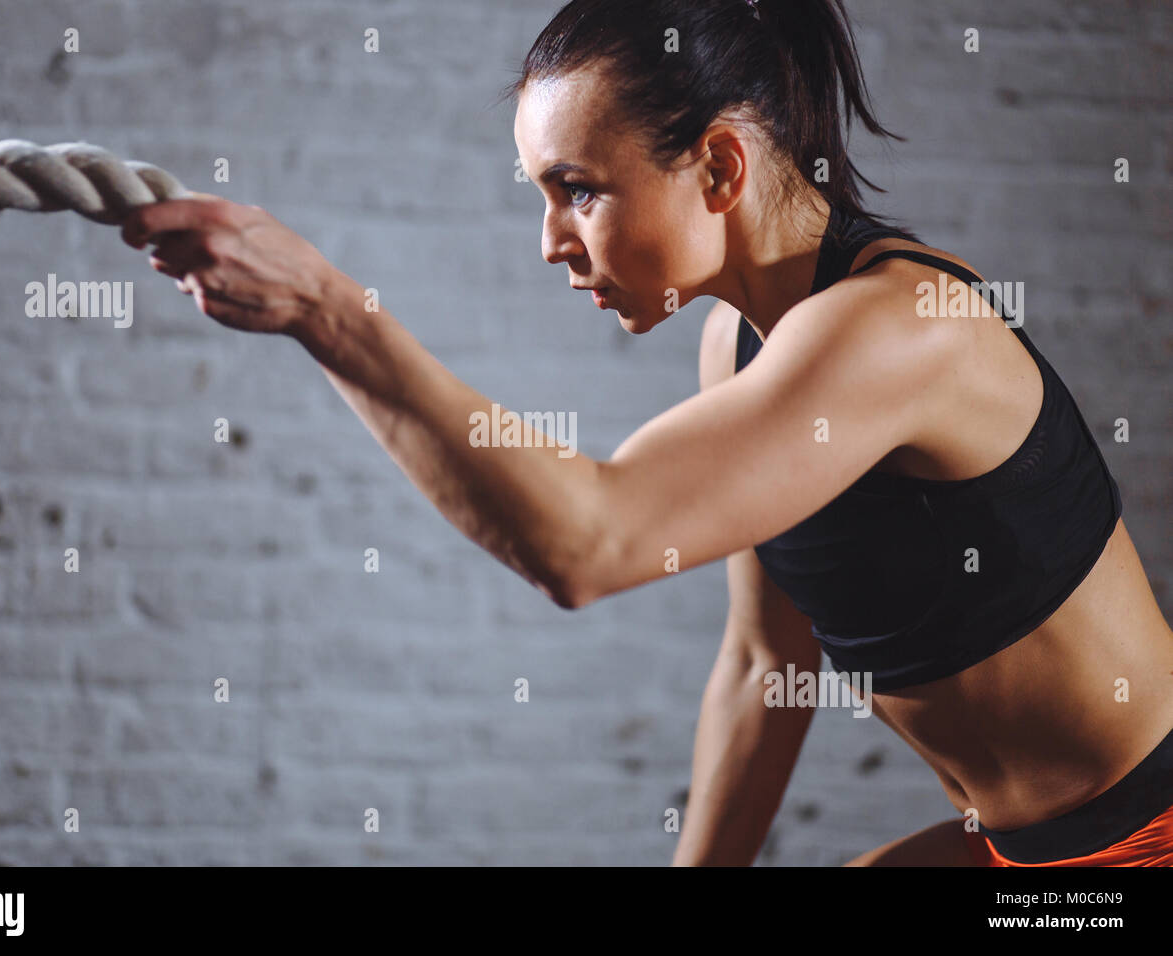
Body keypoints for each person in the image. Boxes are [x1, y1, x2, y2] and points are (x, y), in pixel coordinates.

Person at [119, 0, 1173, 866]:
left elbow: (590, 543)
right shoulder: (738, 349)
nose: (550, 242)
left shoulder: (896, 327)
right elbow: (765, 664)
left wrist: (327, 309)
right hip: (1024, 852)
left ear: (719, 167)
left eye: (577, 190)